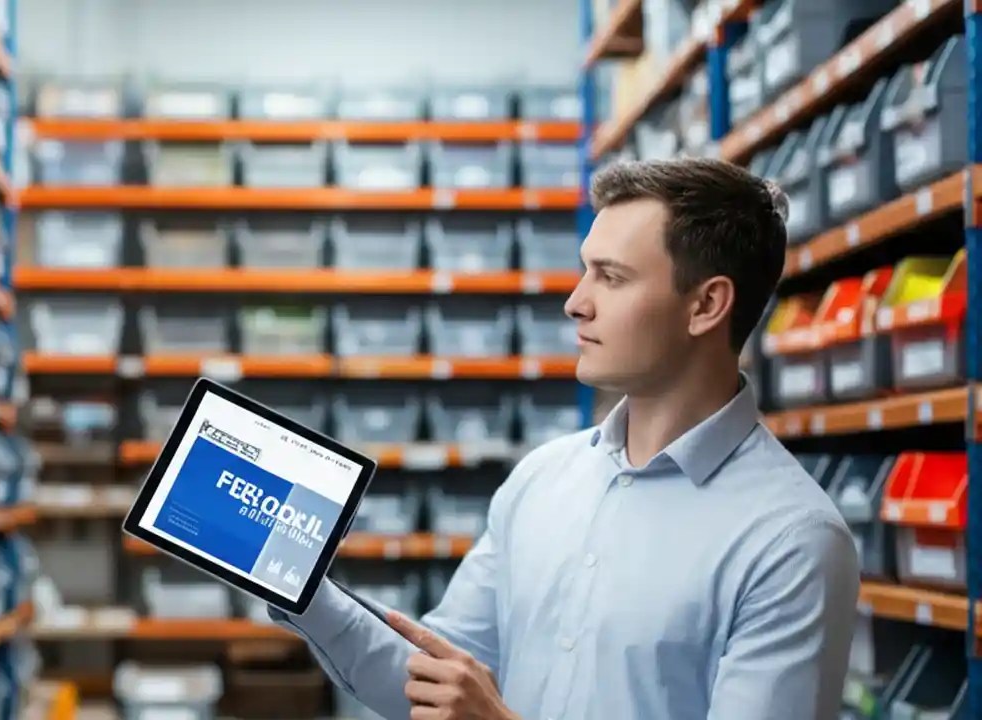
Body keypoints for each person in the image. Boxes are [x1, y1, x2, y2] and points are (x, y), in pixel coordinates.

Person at [269, 157, 860, 720]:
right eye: (584, 270)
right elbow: (433, 685)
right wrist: (297, 584)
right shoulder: (543, 479)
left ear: (706, 304)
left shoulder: (792, 540)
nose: (576, 303)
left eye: (611, 277)